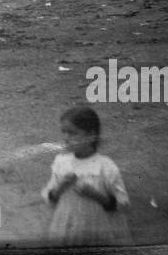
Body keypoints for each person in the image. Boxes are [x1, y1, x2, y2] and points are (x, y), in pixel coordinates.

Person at [41, 105, 131, 246]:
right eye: (64, 132)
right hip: (66, 229)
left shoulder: (105, 166)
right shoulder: (61, 162)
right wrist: (61, 187)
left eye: (72, 133)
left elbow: (123, 204)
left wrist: (96, 195)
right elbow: (49, 197)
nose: (66, 138)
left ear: (91, 135)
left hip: (96, 231)